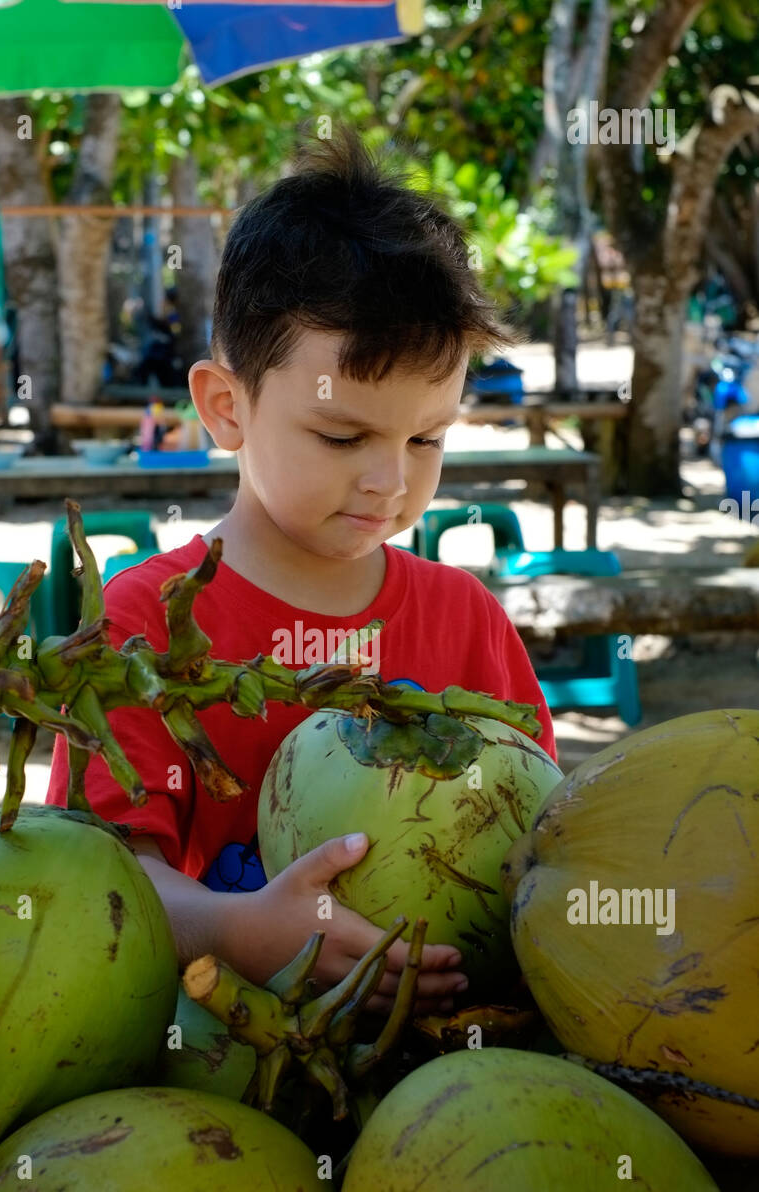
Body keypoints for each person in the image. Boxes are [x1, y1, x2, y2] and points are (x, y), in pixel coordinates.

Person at [45, 123, 556, 1017]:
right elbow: (106, 875)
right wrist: (233, 928)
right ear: (225, 406)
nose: (391, 481)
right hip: (223, 1069)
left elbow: (545, 844)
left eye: (427, 437)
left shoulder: (464, 618)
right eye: (342, 435)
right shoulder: (144, 626)